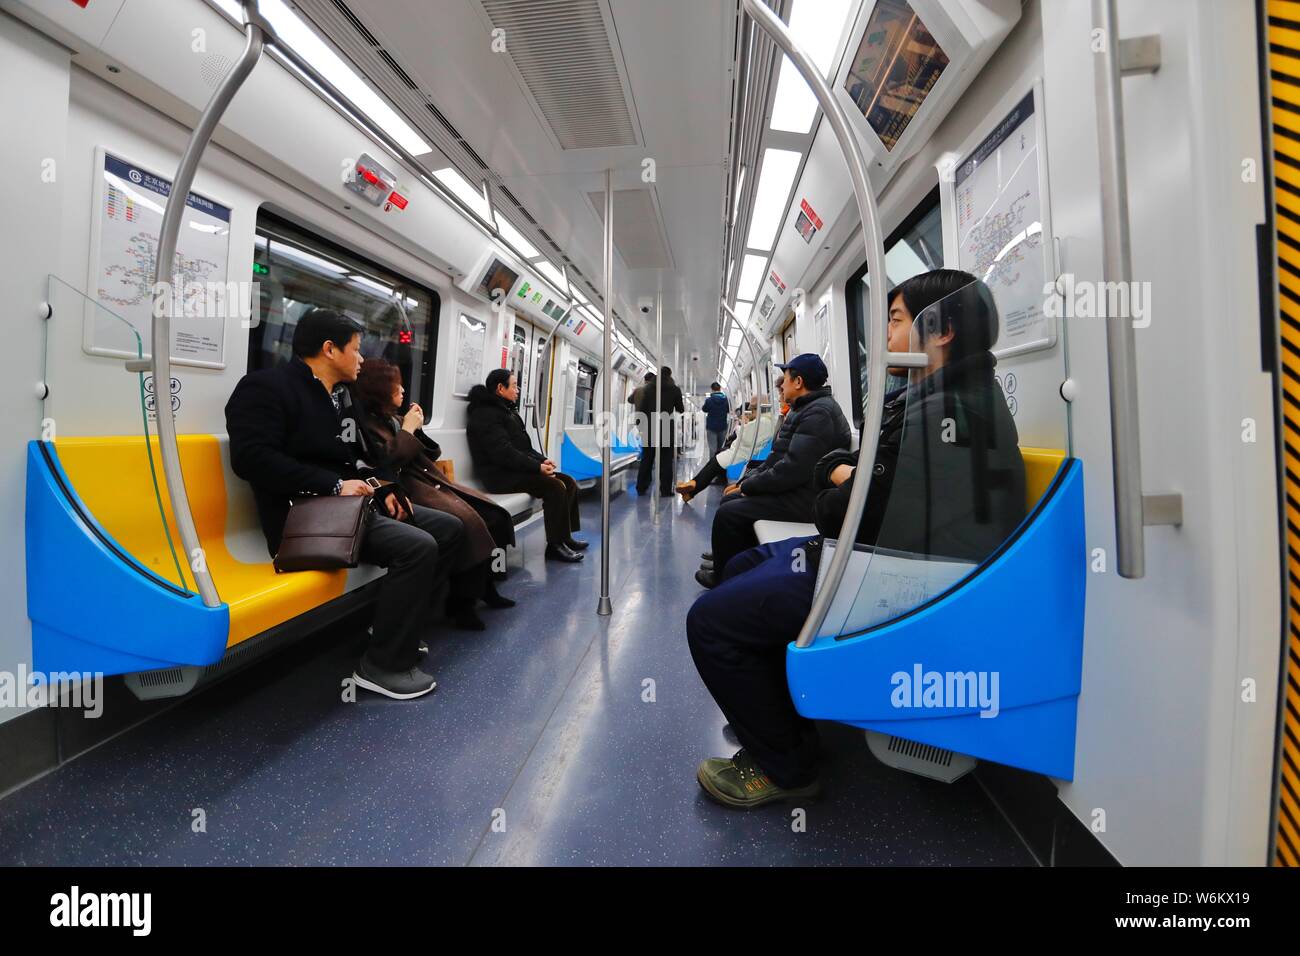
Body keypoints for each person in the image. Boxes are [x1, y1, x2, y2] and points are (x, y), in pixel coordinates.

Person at [688, 270, 1026, 808]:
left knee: (709, 621)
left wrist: (840, 480)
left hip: (900, 578)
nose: (886, 335)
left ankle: (787, 768)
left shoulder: (950, 414)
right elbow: (854, 475)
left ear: (938, 330)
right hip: (884, 556)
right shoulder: (931, 397)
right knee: (741, 565)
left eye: (894, 320)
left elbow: (847, 512)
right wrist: (844, 477)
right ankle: (780, 726)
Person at [225, 308, 465, 701]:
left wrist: (380, 485)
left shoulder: (333, 397)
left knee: (447, 528)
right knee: (418, 547)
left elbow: (346, 458)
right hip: (302, 518)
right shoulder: (265, 388)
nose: (361, 359)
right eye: (356, 350)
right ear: (329, 349)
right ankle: (382, 665)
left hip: (342, 507)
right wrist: (334, 485)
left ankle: (394, 627)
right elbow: (251, 459)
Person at [354, 359, 517, 631]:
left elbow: (431, 454)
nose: (403, 390)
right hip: (407, 488)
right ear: (381, 390)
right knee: (468, 521)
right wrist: (407, 429)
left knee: (493, 514)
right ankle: (461, 603)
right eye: (396, 385)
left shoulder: (392, 419)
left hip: (430, 481)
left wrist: (415, 429)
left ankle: (486, 587)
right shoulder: (367, 426)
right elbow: (386, 463)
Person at [694, 353, 851, 588]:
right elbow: (777, 457)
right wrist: (747, 481)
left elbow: (792, 469)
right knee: (731, 499)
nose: (783, 384)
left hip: (809, 498)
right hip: (801, 488)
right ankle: (730, 561)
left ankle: (725, 577)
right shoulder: (805, 408)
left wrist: (749, 487)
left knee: (729, 513)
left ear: (798, 382)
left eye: (785, 378)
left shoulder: (818, 414)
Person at [467, 368, 587, 562]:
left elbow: (524, 447)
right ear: (500, 388)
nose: (518, 390)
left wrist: (542, 460)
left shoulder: (508, 412)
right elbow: (502, 453)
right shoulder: (486, 415)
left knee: (569, 481)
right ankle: (554, 545)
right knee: (555, 486)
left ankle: (565, 537)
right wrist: (537, 468)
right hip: (498, 475)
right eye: (514, 385)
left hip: (514, 470)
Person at [676, 399, 779, 502]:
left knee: (715, 462)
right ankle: (691, 488)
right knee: (715, 461)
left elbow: (746, 437)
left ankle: (692, 487)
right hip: (739, 447)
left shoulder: (763, 422)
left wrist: (742, 425)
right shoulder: (764, 420)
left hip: (744, 454)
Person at [635, 366, 685, 497]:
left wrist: (639, 423)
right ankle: (665, 490)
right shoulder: (675, 389)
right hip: (666, 427)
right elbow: (681, 409)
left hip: (649, 426)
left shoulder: (648, 388)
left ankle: (641, 487)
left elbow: (643, 407)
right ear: (670, 375)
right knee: (666, 461)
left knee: (647, 459)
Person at [702, 383, 730, 458]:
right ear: (720, 388)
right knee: (721, 448)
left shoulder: (709, 400)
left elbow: (704, 409)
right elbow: (728, 410)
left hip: (711, 427)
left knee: (712, 448)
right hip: (723, 426)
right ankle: (720, 466)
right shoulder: (726, 400)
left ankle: (712, 466)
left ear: (712, 389)